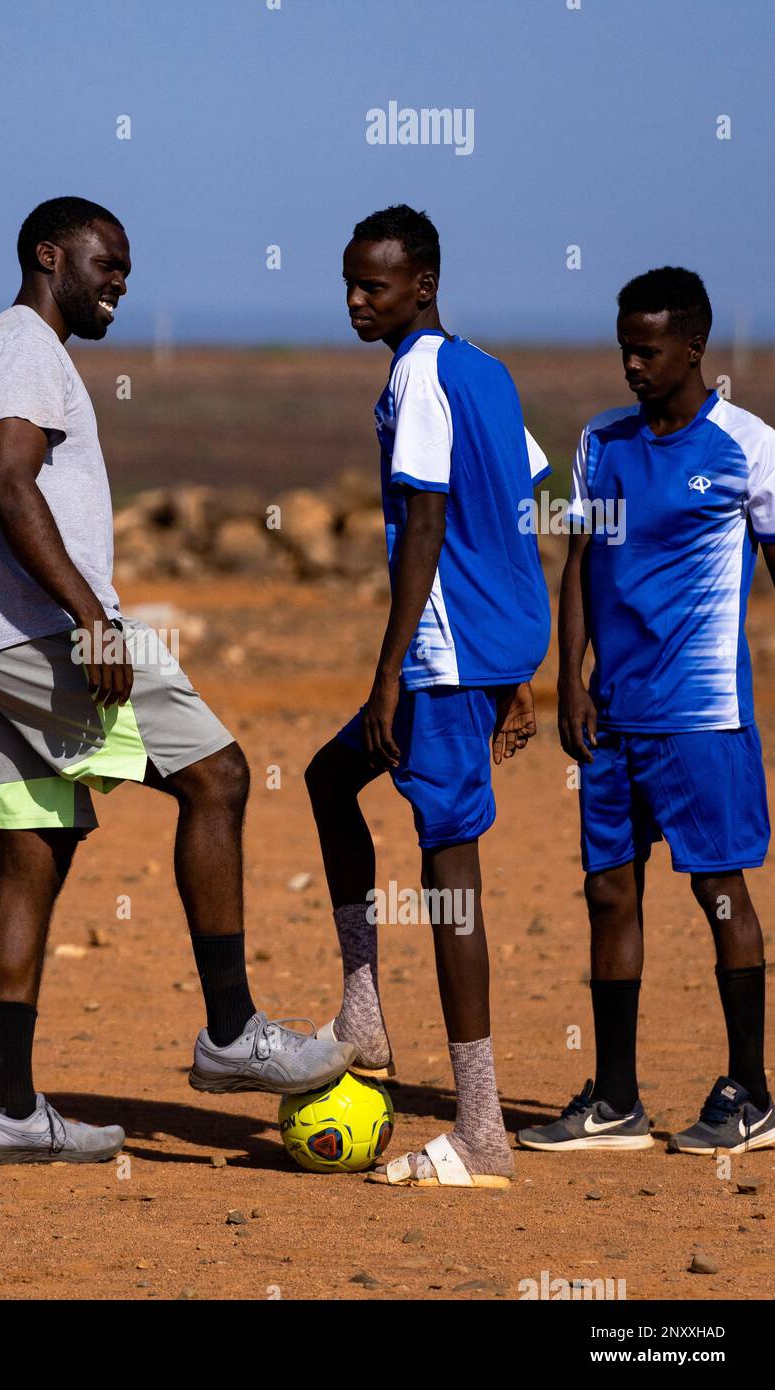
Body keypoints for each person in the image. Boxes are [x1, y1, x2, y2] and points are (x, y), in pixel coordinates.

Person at [0, 195, 352, 1165]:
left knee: (32, 854)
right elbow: (8, 477)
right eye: (105, 261)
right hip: (37, 633)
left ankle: (4, 1107)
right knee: (218, 776)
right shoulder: (24, 344)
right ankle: (232, 1030)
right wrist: (87, 613)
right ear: (49, 255)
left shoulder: (0, 349)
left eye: (126, 266)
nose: (120, 279)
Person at [305, 205, 549, 1189]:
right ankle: (362, 1008)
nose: (358, 302)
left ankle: (480, 1128)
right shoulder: (486, 372)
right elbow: (520, 508)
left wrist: (387, 673)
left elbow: (429, 524)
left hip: (441, 658)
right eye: (350, 285)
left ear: (424, 287)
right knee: (329, 780)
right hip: (480, 651)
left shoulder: (419, 373)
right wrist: (517, 669)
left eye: (375, 286)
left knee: (451, 882)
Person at [520, 266, 775, 1157]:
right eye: (624, 346)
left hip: (702, 715)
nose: (631, 363)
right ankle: (618, 1101)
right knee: (607, 891)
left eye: (649, 349)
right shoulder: (602, 441)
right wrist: (572, 679)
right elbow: (581, 563)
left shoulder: (749, 446)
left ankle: (752, 1092)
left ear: (693, 348)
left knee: (716, 890)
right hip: (613, 717)